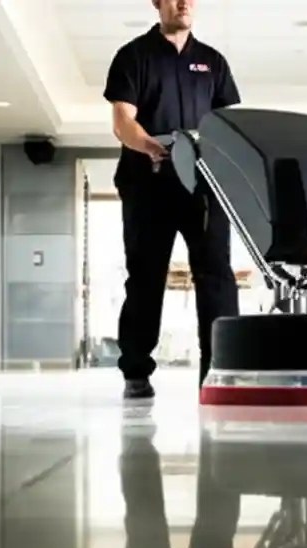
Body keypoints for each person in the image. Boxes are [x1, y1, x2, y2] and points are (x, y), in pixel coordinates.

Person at [104, 0, 241, 399]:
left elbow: (228, 126)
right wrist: (149, 146)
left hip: (204, 185)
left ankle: (218, 369)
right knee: (146, 276)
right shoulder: (134, 56)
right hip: (149, 181)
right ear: (157, 3)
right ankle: (135, 370)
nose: (183, 3)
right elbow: (122, 121)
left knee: (216, 273)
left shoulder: (212, 61)